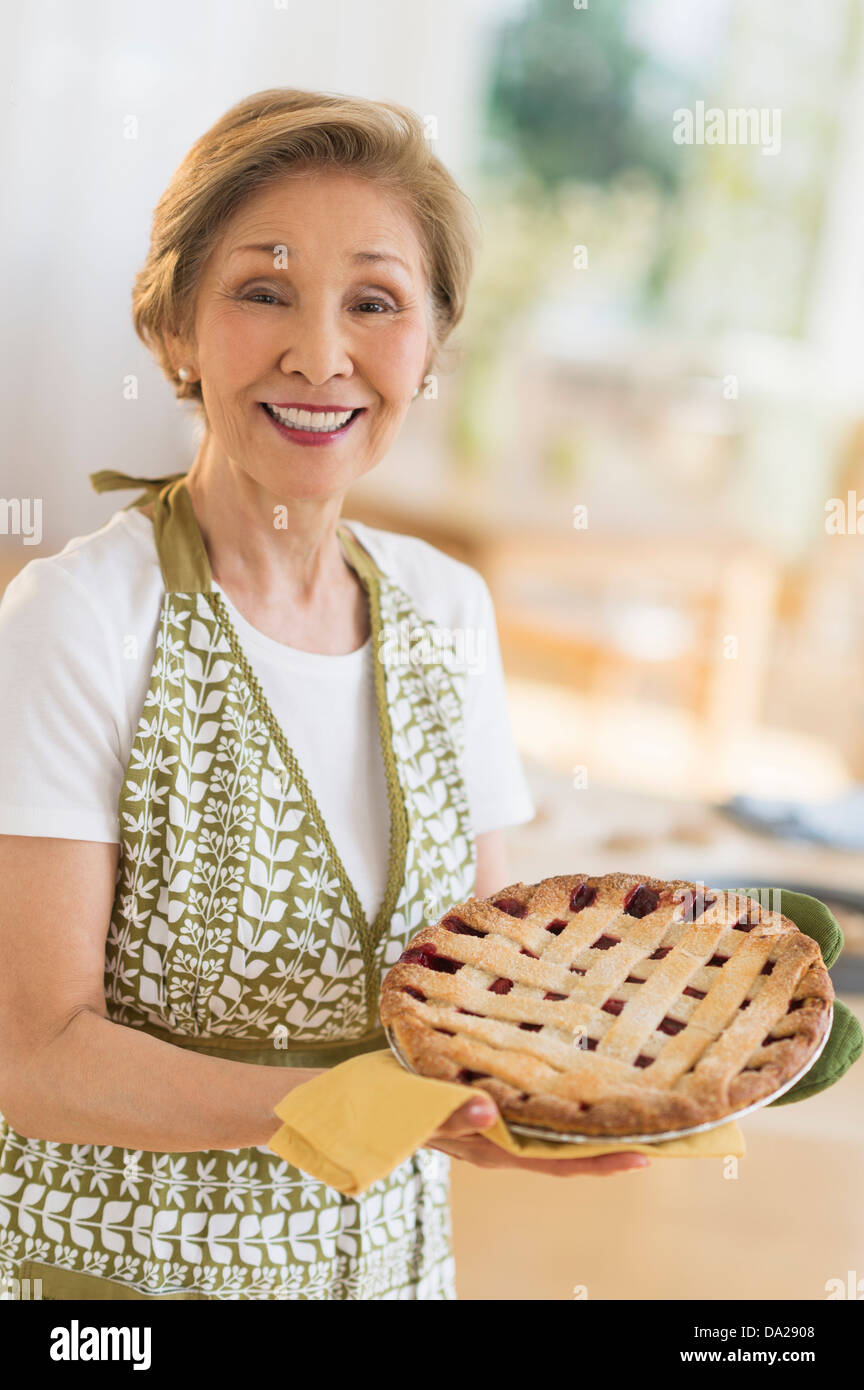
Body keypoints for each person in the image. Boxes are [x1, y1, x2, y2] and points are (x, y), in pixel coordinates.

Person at [0, 88, 647, 1302]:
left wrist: (602, 1049)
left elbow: (484, 971)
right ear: (174, 328)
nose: (319, 353)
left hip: (395, 1275)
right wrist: (354, 1103)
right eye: (262, 290)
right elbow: (29, 1053)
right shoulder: (75, 622)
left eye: (374, 301)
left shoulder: (446, 610)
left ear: (429, 347)